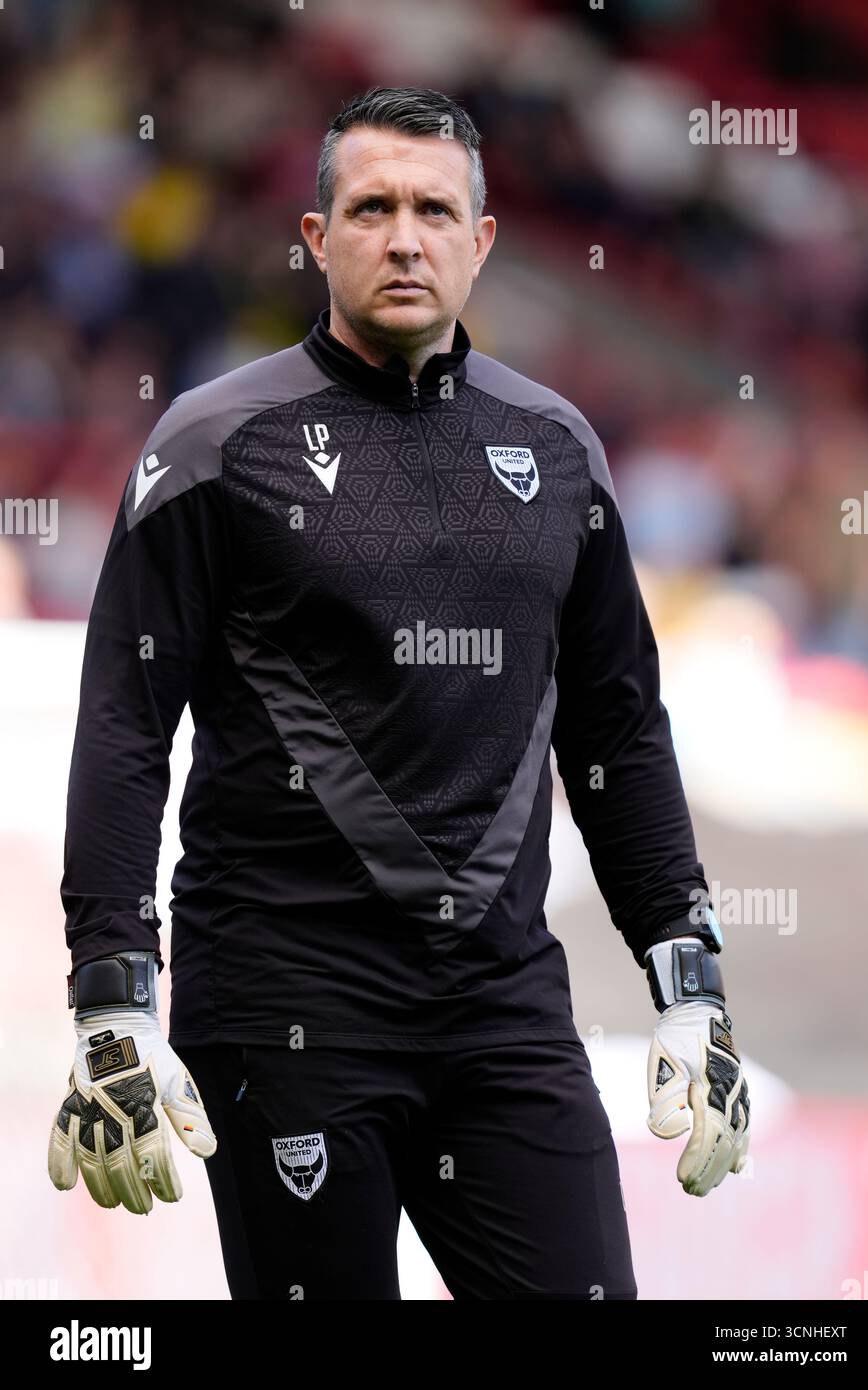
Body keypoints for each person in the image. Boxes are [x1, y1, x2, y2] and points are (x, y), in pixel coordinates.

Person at [48, 86, 750, 1301]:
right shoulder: (213, 447)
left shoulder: (561, 451)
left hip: (503, 1004)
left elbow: (619, 731)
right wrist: (113, 995)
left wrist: (690, 980)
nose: (405, 236)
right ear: (318, 238)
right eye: (371, 207)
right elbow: (123, 725)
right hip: (284, 1003)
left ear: (482, 243)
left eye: (436, 209)